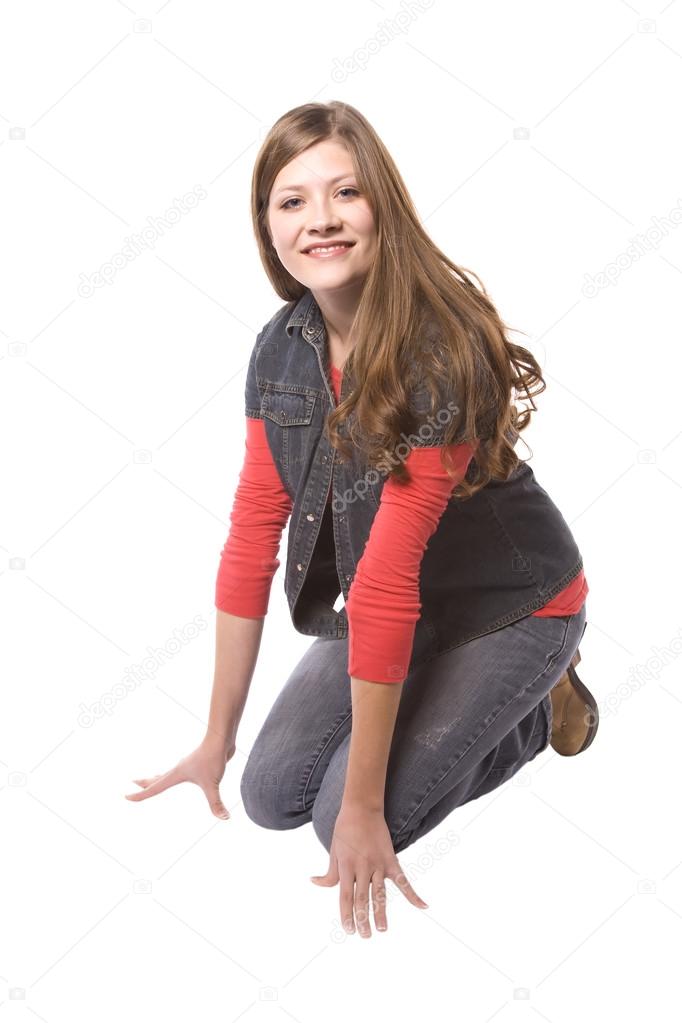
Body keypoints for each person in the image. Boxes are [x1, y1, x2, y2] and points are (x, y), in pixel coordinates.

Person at [125, 101, 598, 938]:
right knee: (271, 797)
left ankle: (536, 700)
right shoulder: (282, 350)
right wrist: (214, 737)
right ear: (267, 226)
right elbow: (250, 539)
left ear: (383, 202)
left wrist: (366, 807)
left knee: (345, 824)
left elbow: (382, 582)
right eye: (292, 200)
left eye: (345, 191)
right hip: (404, 612)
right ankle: (461, 695)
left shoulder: (437, 351)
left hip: (512, 602)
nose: (322, 220)